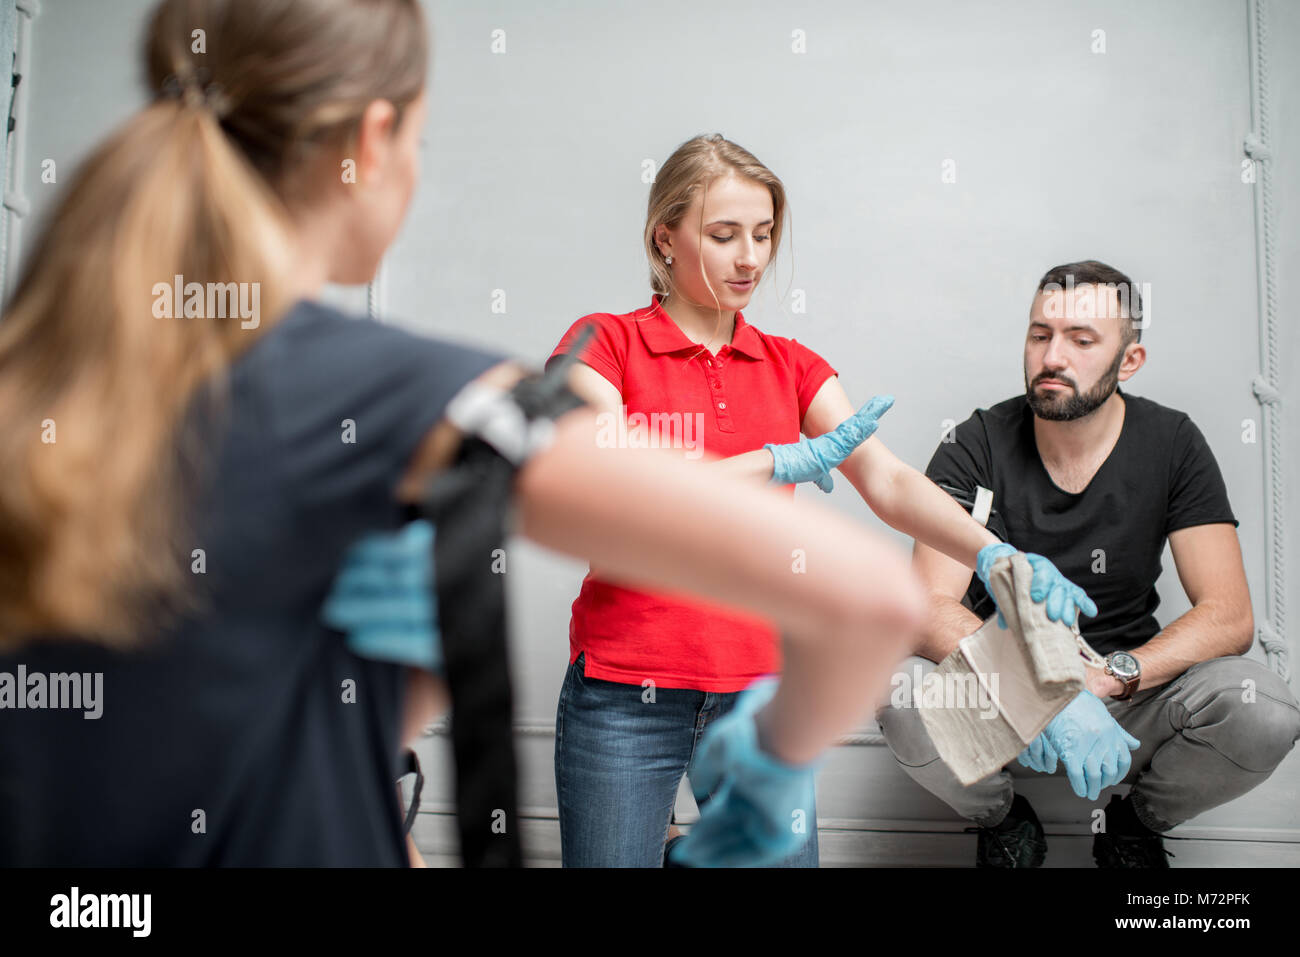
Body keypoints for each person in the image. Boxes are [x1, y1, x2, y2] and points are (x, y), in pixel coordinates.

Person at [0, 0, 930, 867]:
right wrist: (770, 768)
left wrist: (393, 698)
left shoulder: (42, 364)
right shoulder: (405, 388)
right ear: (374, 137)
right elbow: (873, 601)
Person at [542, 135, 1099, 867]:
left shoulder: (791, 365)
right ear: (664, 238)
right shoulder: (601, 346)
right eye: (724, 234)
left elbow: (891, 482)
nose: (751, 258)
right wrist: (776, 461)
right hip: (623, 692)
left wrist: (993, 551)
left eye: (764, 234)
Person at [876, 260, 1300, 867]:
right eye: (1040, 334)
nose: (1052, 357)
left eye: (1081, 340)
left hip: (1130, 686)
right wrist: (1046, 688)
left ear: (1129, 361)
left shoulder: (1173, 442)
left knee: (1266, 709)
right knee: (901, 692)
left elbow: (1230, 616)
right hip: (1002, 692)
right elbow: (925, 610)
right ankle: (1003, 823)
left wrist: (1105, 679)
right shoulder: (974, 443)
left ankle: (1135, 826)